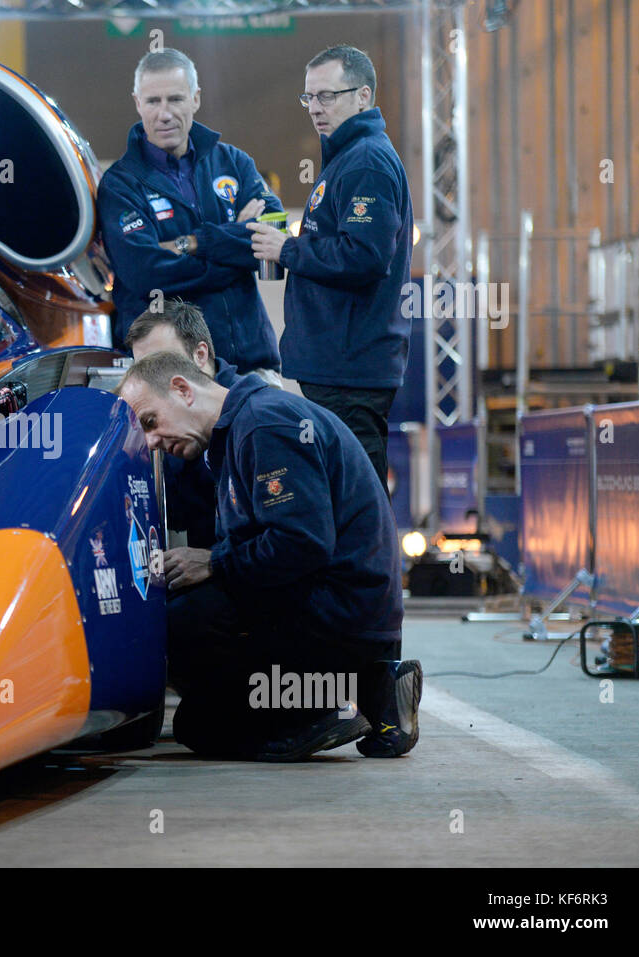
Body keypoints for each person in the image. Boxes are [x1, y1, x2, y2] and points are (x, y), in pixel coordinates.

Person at [117, 350, 421, 760]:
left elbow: (302, 543)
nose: (152, 442)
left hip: (337, 620)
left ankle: (323, 706)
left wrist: (213, 562)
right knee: (184, 622)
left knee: (196, 700)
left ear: (182, 389)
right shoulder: (238, 431)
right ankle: (370, 689)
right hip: (338, 615)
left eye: (151, 422)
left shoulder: (266, 425)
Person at [248, 44, 413, 492]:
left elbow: (365, 256)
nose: (315, 109)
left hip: (351, 368)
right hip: (341, 365)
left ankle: (367, 566)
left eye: (327, 96)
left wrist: (289, 250)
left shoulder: (366, 162)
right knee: (344, 494)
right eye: (309, 98)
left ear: (363, 96)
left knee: (356, 498)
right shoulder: (348, 158)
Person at [98, 48, 284, 384]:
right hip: (168, 377)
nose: (164, 114)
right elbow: (146, 274)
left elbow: (274, 245)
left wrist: (199, 242)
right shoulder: (119, 184)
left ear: (196, 99)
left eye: (175, 99)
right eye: (153, 101)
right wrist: (236, 242)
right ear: (137, 103)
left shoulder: (234, 163)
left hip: (251, 366)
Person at [125, 298, 238, 550]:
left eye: (161, 362)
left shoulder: (255, 419)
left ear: (200, 355)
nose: (151, 378)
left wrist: (214, 564)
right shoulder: (160, 421)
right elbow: (176, 514)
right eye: (143, 367)